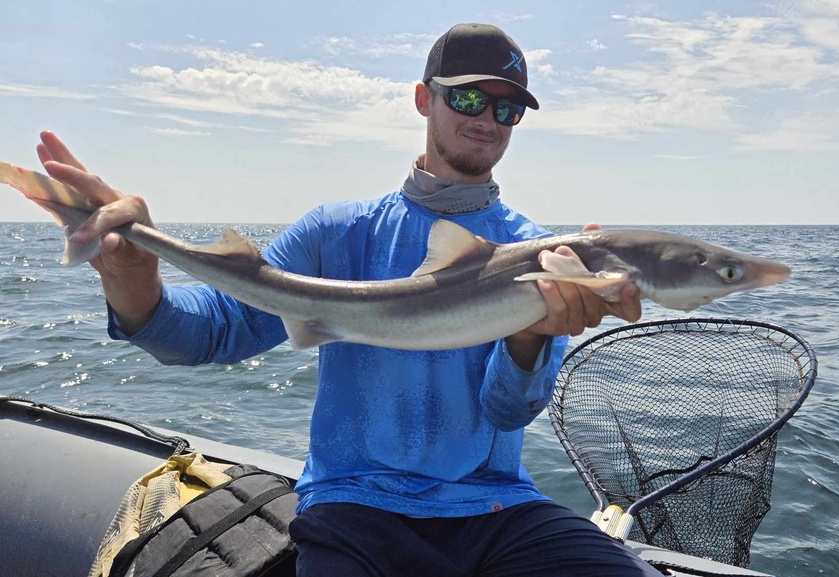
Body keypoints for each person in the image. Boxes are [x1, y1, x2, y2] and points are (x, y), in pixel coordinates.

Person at [37, 23, 662, 576]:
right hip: (355, 504)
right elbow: (210, 333)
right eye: (469, 98)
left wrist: (529, 337)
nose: (487, 119)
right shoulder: (338, 233)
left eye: (508, 109)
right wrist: (133, 275)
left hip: (494, 506)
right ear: (424, 98)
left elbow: (507, 412)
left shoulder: (540, 255)